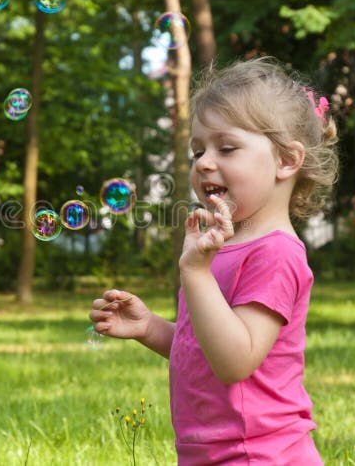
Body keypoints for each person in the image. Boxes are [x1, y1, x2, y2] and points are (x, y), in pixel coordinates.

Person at [89, 57, 339, 465]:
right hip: (215, 452)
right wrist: (149, 327)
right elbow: (207, 348)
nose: (204, 162)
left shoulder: (275, 252)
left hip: (257, 453)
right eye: (198, 150)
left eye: (226, 147)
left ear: (287, 161)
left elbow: (234, 361)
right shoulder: (220, 249)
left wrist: (194, 272)